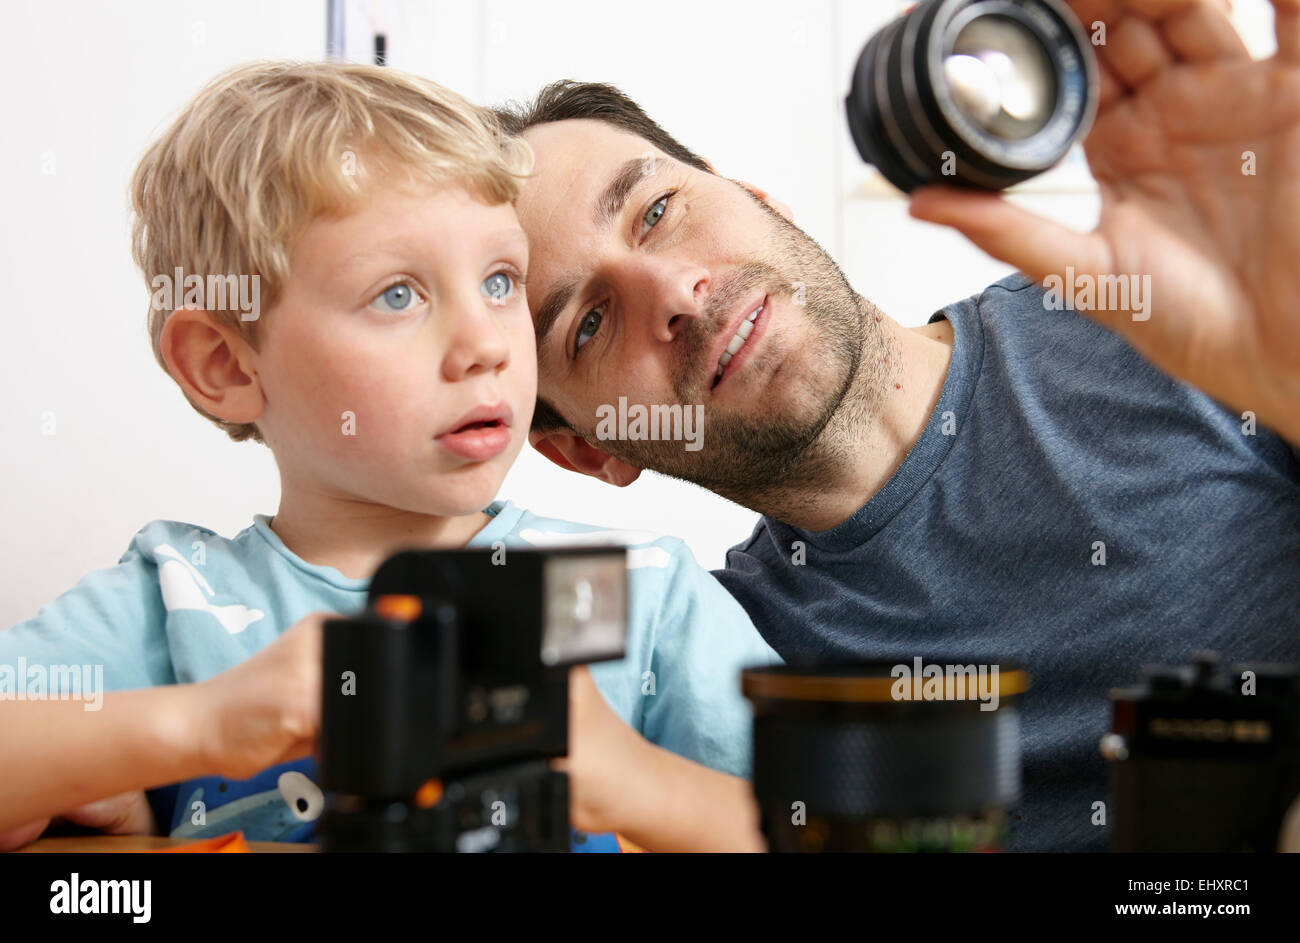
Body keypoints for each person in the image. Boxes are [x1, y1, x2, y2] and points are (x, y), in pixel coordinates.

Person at [495, 0, 1300, 851]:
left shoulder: (1156, 320)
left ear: (760, 198)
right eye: (588, 324)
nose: (676, 293)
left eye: (656, 211)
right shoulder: (726, 681)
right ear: (587, 450)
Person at [0, 61, 779, 853]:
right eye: (398, 294)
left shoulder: (641, 593)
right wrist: (195, 728)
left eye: (501, 280)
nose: (483, 344)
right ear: (226, 365)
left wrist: (627, 779)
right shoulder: (173, 598)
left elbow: (831, 829)